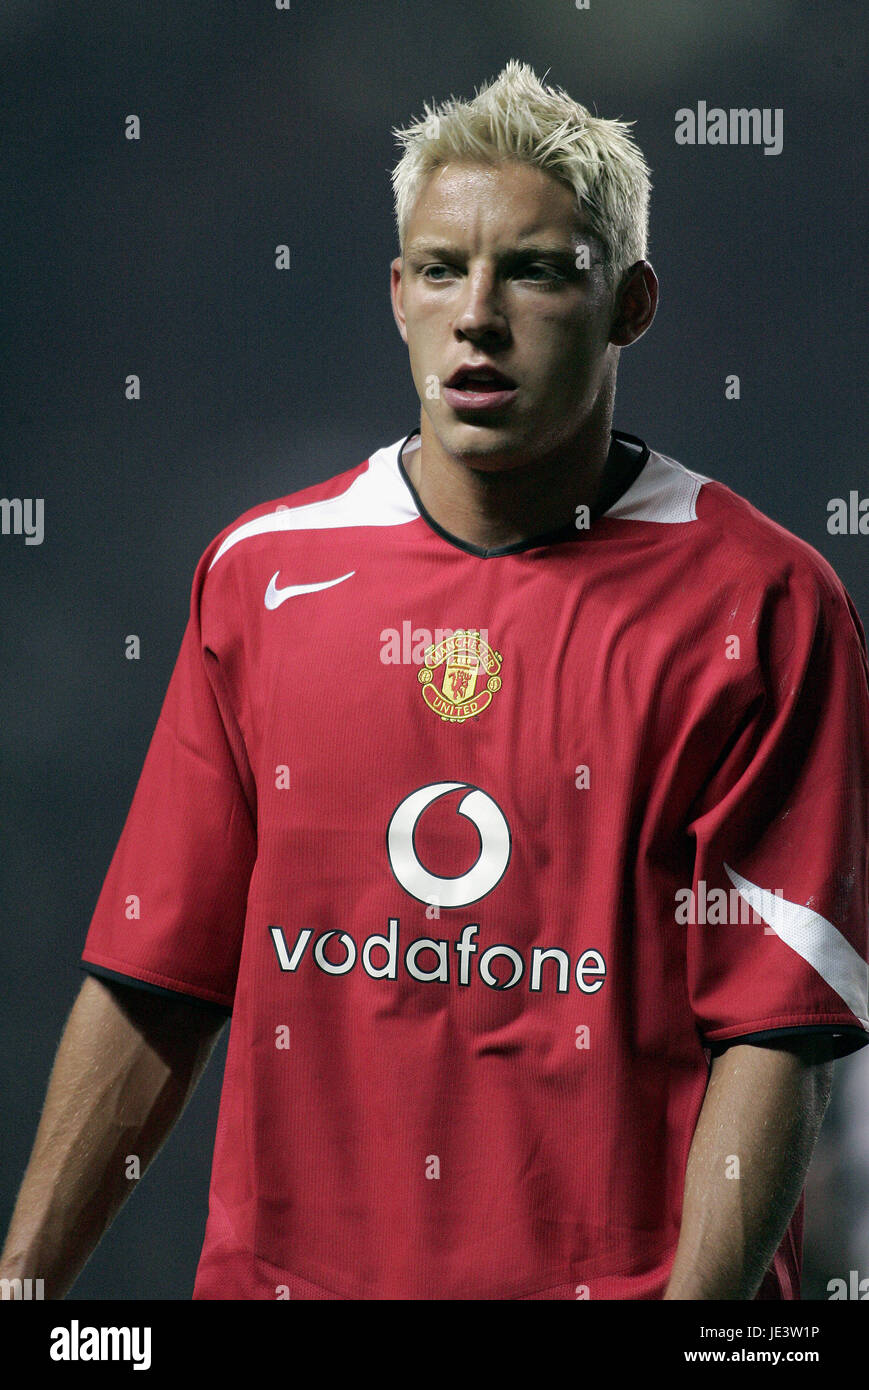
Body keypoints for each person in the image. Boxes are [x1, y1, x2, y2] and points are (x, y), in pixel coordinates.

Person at [2, 59, 868, 1302]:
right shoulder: (262, 575)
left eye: (534, 270)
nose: (478, 313)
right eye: (443, 270)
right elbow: (156, 980)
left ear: (628, 303)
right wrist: (25, 1286)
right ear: (396, 293)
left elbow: (773, 1029)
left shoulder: (761, 604)